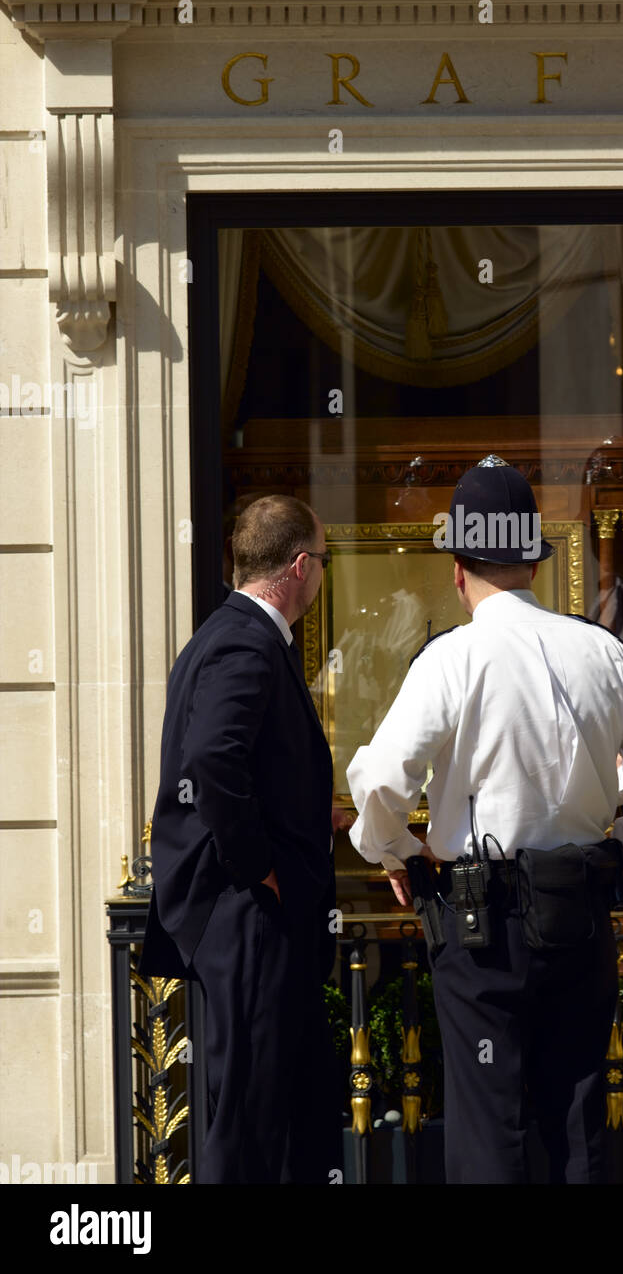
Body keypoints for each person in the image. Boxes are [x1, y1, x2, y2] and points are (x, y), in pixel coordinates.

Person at [347, 456, 623, 1183]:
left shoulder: (451, 657)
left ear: (456, 567)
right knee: (575, 1118)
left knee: (487, 1122)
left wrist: (397, 855)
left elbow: (381, 778)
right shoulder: (604, 651)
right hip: (578, 909)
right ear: (536, 561)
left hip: (483, 927)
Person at [139, 494, 341, 1183]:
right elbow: (213, 758)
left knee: (271, 1110)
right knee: (251, 1119)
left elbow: (242, 762)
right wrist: (262, 867)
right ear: (300, 565)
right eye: (323, 560)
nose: (322, 576)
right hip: (246, 911)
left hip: (242, 911)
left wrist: (316, 814)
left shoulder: (226, 634)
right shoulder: (243, 640)